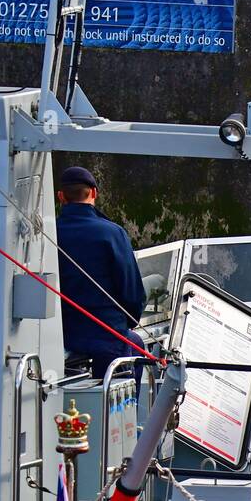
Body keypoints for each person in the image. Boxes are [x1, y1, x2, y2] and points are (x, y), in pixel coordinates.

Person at [55, 166, 147, 391]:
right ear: (94, 193)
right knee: (134, 348)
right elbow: (132, 291)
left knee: (134, 344)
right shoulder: (112, 233)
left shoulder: (49, 231)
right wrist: (129, 321)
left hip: (59, 334)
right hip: (106, 334)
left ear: (60, 196)